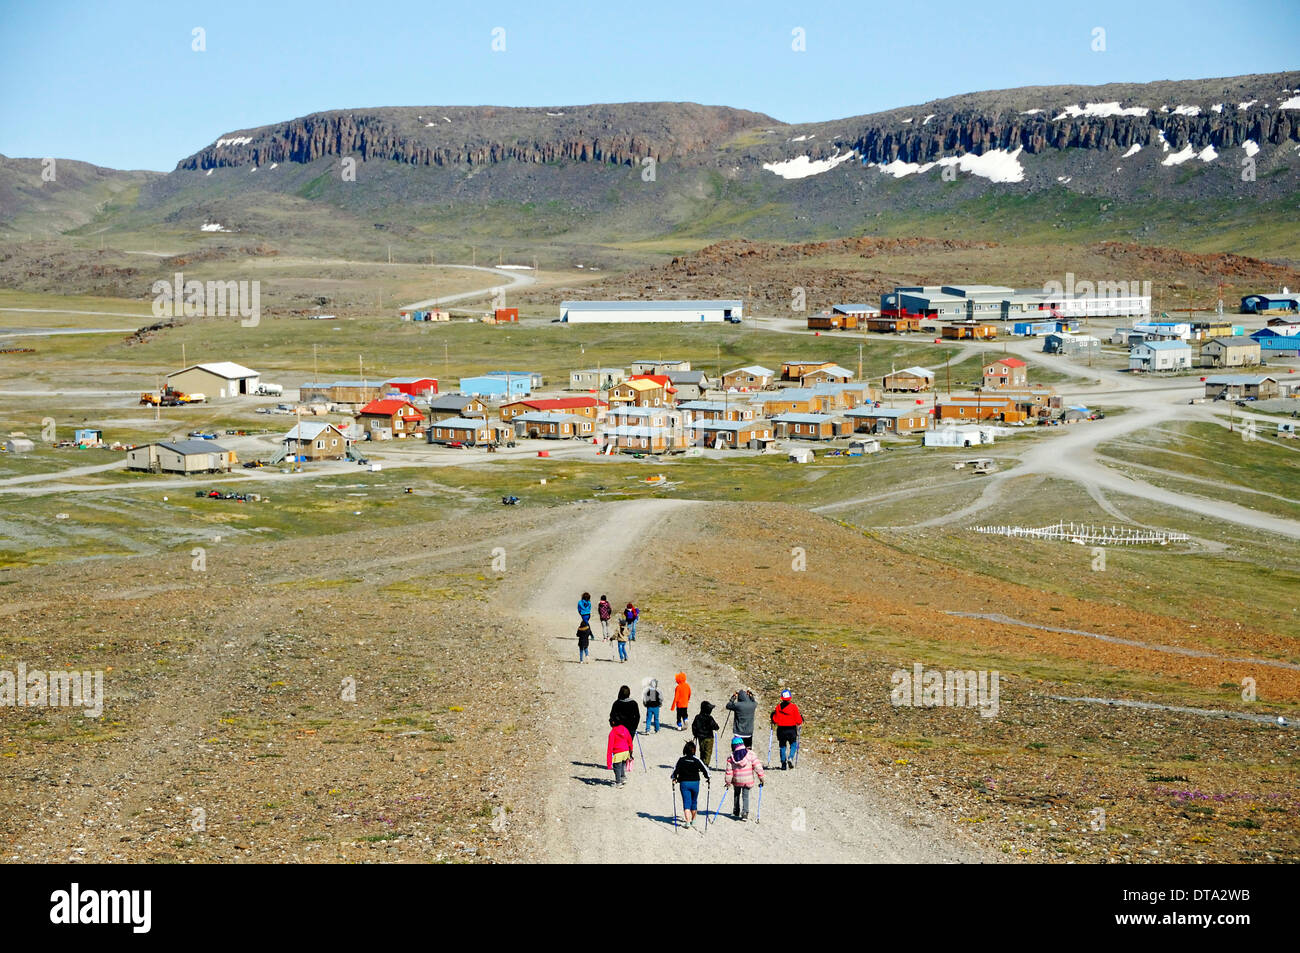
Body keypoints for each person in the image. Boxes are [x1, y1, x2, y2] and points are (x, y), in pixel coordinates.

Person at [723, 736, 764, 821]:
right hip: (747, 780)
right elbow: (757, 766)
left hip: (737, 780)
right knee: (745, 796)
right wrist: (761, 777)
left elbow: (729, 771)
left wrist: (728, 782)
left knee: (736, 794)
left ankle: (736, 811)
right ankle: (745, 813)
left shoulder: (731, 757)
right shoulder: (750, 754)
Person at [671, 741, 710, 829]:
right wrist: (708, 777)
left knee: (686, 802)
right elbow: (705, 769)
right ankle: (694, 820)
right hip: (695, 783)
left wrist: (674, 778)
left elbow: (675, 770)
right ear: (694, 750)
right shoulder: (696, 760)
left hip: (684, 783)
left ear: (685, 749)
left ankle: (688, 822)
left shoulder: (681, 760)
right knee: (694, 801)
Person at [771, 688, 804, 769]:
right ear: (790, 698)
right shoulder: (793, 707)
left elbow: (775, 720)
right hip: (791, 729)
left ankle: (783, 764)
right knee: (793, 744)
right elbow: (798, 721)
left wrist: (772, 717)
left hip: (781, 729)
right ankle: (790, 757)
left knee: (782, 746)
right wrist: (801, 719)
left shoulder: (778, 707)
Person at [606, 717, 633, 788]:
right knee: (622, 765)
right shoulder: (624, 728)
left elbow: (610, 748)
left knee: (617, 767)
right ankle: (623, 777)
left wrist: (609, 764)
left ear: (612, 723)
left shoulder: (612, 733)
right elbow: (629, 740)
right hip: (626, 751)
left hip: (618, 752)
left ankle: (618, 782)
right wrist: (631, 751)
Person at [691, 700, 720, 766]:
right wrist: (716, 727)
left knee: (702, 750)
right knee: (708, 752)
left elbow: (694, 726)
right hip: (709, 737)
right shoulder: (709, 718)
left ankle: (701, 763)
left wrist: (695, 734)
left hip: (700, 737)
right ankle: (705, 764)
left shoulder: (697, 717)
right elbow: (715, 727)